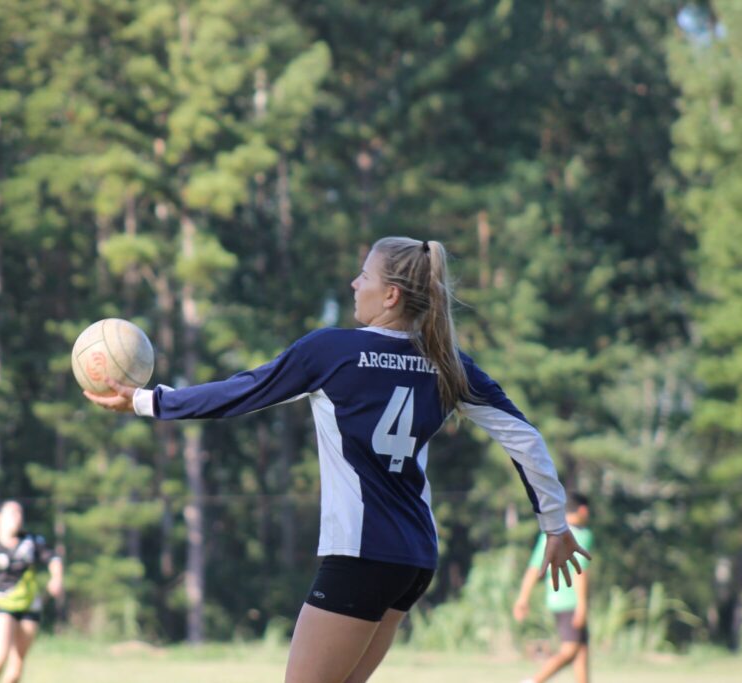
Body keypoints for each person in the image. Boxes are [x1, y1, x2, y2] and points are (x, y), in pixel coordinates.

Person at [87, 237, 590, 683]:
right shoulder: (448, 363)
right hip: (414, 558)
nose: (354, 283)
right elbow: (526, 440)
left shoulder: (333, 352)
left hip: (360, 555)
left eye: (364, 275)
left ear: (390, 294)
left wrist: (145, 400)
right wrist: (554, 525)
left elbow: (244, 391)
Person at [0, 500, 63, 683]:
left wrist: (56, 578)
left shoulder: (31, 541)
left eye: (20, 514)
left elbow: (54, 559)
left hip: (29, 608)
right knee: (0, 655)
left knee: (17, 667)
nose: (17, 518)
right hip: (3, 606)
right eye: (12, 513)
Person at [514, 492, 594, 683]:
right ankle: (534, 680)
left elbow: (534, 567)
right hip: (571, 601)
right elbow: (579, 572)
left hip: (555, 599)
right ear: (583, 510)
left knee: (581, 652)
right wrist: (582, 605)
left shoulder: (550, 534)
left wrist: (523, 598)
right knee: (571, 650)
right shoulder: (581, 534)